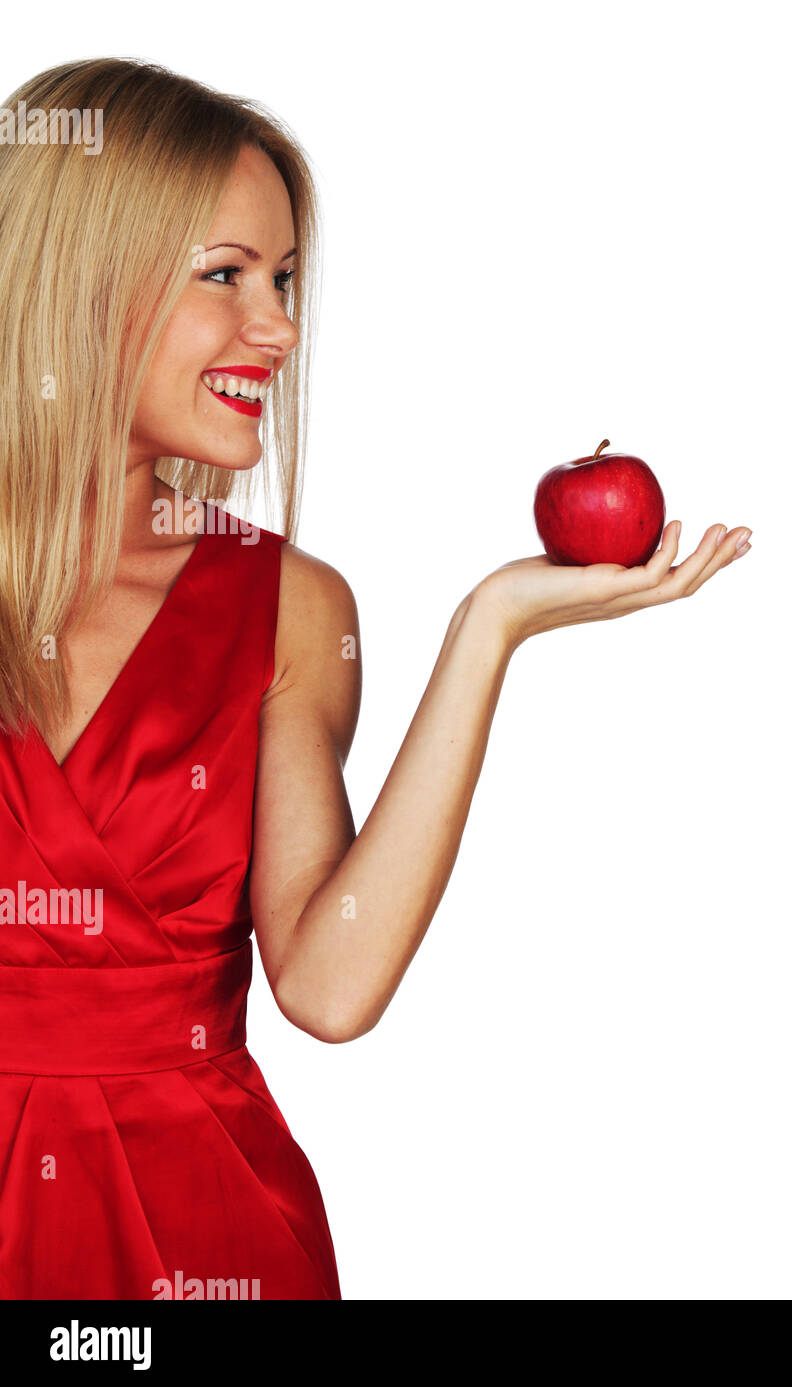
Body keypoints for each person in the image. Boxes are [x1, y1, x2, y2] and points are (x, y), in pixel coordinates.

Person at [0, 57, 751, 1299]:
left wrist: (490, 625)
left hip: (206, 1232)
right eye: (227, 276)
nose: (281, 327)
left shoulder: (291, 609)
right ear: (79, 284)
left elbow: (332, 986)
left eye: (285, 280)